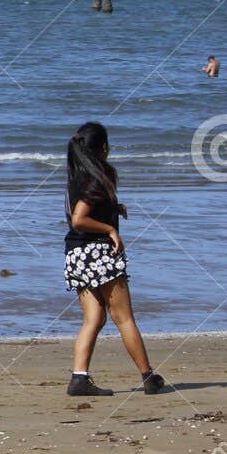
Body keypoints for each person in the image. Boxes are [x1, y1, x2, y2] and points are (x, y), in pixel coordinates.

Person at [64, 122, 167, 397]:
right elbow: (79, 219)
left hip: (76, 255)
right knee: (124, 318)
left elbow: (84, 211)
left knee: (94, 320)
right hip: (98, 253)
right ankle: (148, 376)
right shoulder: (96, 179)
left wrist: (112, 209)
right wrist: (110, 229)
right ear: (103, 148)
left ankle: (79, 378)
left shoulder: (78, 177)